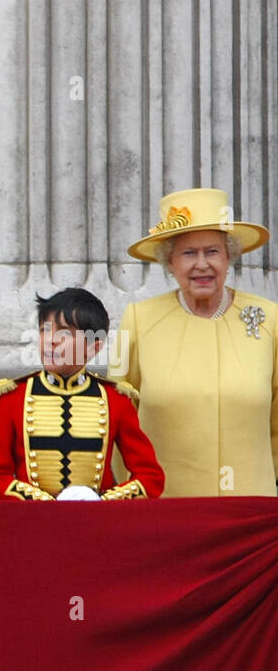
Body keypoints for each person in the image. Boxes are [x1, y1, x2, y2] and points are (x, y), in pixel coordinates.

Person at [112, 187, 276, 496]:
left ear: (229, 257)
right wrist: (131, 489)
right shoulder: (134, 319)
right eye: (189, 253)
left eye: (212, 251)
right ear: (169, 262)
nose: (202, 264)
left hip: (251, 507)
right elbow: (117, 415)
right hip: (166, 506)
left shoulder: (271, 318)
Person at [0, 288, 164, 501]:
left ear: (93, 347)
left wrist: (102, 500)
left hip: (97, 523)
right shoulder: (13, 398)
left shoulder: (115, 400)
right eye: (44, 330)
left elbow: (151, 476)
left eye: (64, 333)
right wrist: (43, 502)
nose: (50, 340)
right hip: (30, 523)